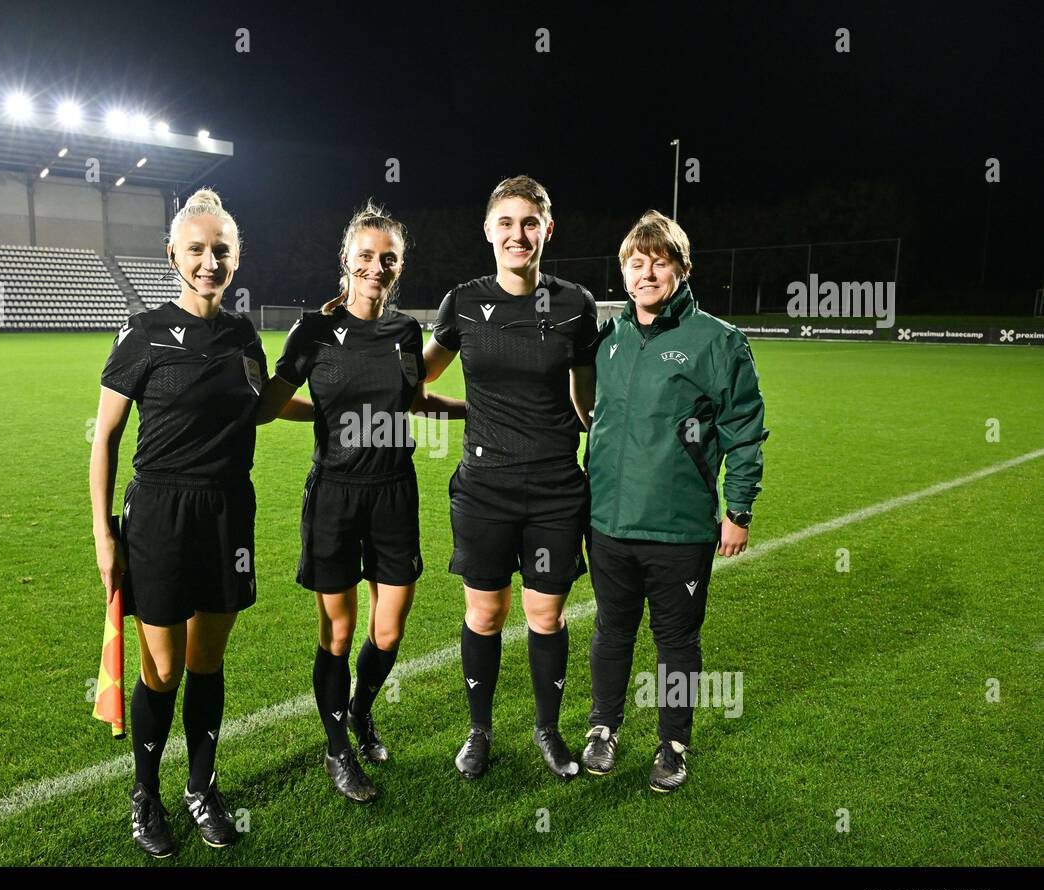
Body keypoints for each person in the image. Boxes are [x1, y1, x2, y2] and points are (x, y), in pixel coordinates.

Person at [258, 202, 464, 802]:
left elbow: (414, 403)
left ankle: (361, 710)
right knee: (340, 632)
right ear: (346, 260)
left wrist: (480, 409)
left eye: (389, 258)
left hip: (395, 494)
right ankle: (337, 747)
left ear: (399, 268)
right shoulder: (312, 331)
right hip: (336, 496)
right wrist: (321, 415)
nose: (378, 267)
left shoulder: (405, 332)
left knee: (390, 628)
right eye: (367, 256)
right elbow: (268, 404)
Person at [89, 188, 266, 856]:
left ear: (237, 255)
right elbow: (104, 438)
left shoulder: (244, 333)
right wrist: (105, 534)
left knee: (207, 660)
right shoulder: (142, 332)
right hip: (160, 513)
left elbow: (259, 406)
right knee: (161, 670)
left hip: (228, 511)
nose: (210, 260)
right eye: (196, 249)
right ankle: (145, 794)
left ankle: (201, 785)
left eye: (221, 249)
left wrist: (341, 397)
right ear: (173, 255)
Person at [582, 209, 768, 793]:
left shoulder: (717, 340)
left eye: (659, 262)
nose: (646, 273)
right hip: (608, 523)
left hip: (680, 528)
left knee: (677, 642)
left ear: (683, 269)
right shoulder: (608, 340)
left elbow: (744, 430)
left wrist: (737, 511)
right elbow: (594, 418)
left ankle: (673, 743)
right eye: (636, 263)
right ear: (623, 272)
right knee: (612, 630)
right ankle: (603, 729)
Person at [422, 175, 599, 780]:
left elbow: (587, 402)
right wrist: (466, 414)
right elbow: (414, 382)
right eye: (506, 222)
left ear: (547, 229)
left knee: (545, 617)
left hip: (554, 489)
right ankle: (479, 732)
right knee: (485, 616)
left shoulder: (576, 304)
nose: (517, 234)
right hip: (484, 488)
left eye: (530, 222)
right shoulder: (462, 303)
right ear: (488, 232)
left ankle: (548, 732)